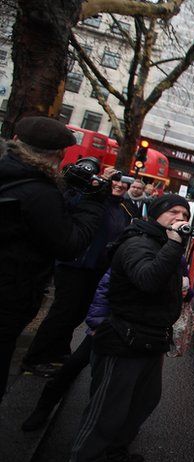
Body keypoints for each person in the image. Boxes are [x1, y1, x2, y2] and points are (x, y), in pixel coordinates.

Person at [66, 195, 191, 462]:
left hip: (150, 339)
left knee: (145, 399)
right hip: (123, 339)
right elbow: (148, 279)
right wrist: (175, 245)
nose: (179, 217)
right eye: (172, 211)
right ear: (156, 215)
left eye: (184, 212)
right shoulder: (137, 243)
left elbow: (166, 283)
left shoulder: (164, 243)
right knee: (107, 410)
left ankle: (114, 449)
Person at [0, 116, 106, 404]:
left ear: (18, 142)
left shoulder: (13, 174)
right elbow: (69, 243)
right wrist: (94, 203)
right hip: (9, 296)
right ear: (60, 154)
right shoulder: (39, 192)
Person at [20, 170, 135, 377]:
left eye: (123, 182)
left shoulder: (125, 208)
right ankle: (35, 358)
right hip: (75, 265)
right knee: (63, 312)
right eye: (114, 181)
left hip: (97, 268)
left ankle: (58, 351)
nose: (118, 185)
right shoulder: (90, 197)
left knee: (78, 313)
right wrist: (95, 188)